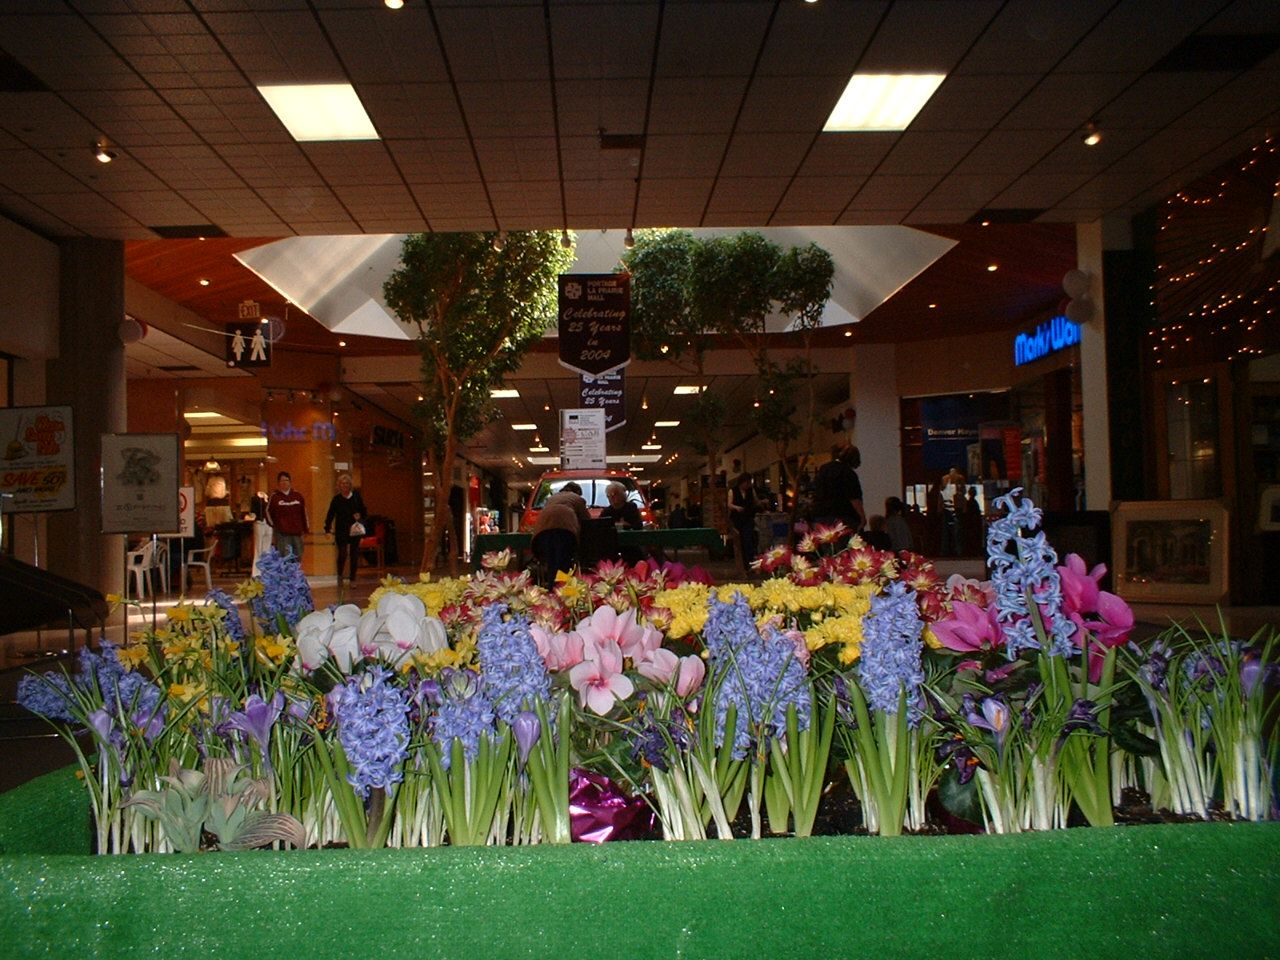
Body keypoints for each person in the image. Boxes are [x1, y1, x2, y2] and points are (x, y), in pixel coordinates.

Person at [530, 481, 591, 583]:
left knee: (551, 563)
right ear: (577, 492)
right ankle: (562, 588)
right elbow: (587, 520)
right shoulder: (577, 498)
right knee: (563, 563)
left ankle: (551, 587)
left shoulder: (551, 498)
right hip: (565, 530)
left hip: (542, 530)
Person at [323, 472, 368, 585]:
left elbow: (364, 511)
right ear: (339, 485)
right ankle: (340, 575)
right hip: (341, 530)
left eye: (347, 483)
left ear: (350, 485)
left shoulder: (356, 497)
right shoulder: (336, 499)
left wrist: (359, 516)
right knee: (342, 554)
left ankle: (353, 578)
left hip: (355, 530)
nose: (345, 485)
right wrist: (327, 529)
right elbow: (330, 515)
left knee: (354, 554)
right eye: (342, 483)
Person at [267, 470, 309, 561]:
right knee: (285, 558)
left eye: (286, 480)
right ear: (278, 483)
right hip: (282, 534)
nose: (284, 482)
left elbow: (304, 513)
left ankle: (296, 571)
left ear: (290, 482)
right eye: (282, 480)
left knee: (298, 557)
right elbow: (268, 512)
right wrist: (275, 525)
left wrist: (305, 529)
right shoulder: (274, 497)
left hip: (297, 533)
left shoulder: (298, 496)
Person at [728, 473, 765, 563]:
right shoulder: (733, 491)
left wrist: (762, 503)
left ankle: (748, 559)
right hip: (737, 518)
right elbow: (729, 504)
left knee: (747, 538)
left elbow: (756, 501)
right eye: (746, 483)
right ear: (741, 482)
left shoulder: (751, 491)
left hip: (748, 517)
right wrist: (736, 508)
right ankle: (741, 559)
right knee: (739, 539)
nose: (748, 485)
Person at [939, 467, 965, 556]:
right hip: (951, 508)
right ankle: (952, 549)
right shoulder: (946, 479)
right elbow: (941, 494)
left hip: (954, 508)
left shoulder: (959, 479)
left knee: (953, 530)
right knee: (951, 530)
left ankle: (952, 549)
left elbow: (963, 493)